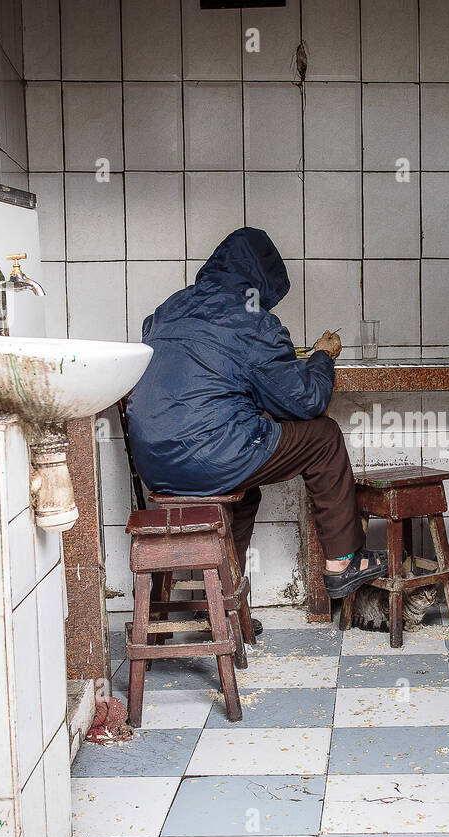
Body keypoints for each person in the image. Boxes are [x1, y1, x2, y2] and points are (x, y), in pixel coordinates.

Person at [126, 227, 384, 603]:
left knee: (243, 495)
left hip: (155, 464)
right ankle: (342, 562)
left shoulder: (169, 309)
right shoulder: (253, 321)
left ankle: (219, 601)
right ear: (264, 279)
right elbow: (305, 402)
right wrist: (322, 357)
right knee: (324, 437)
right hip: (211, 457)